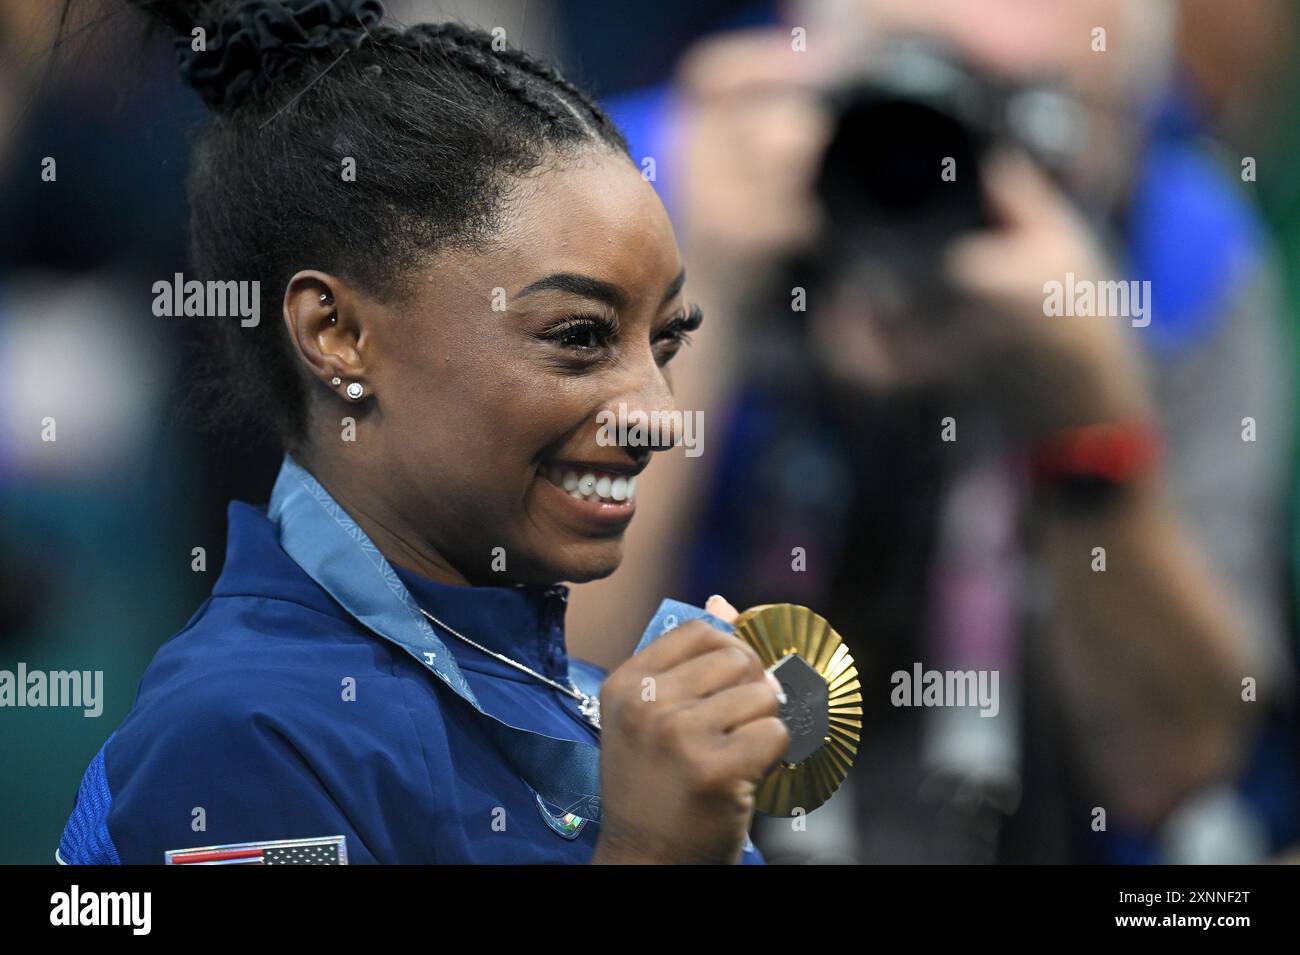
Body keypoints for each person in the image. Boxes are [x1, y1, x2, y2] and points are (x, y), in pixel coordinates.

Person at [57, 0, 788, 865]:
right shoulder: (240, 732)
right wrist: (652, 850)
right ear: (337, 334)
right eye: (580, 336)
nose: (660, 415)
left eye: (664, 343)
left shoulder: (593, 706)